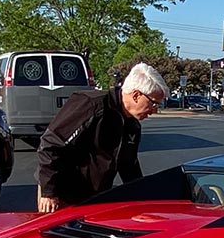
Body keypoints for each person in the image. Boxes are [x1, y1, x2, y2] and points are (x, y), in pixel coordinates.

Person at [35, 62, 168, 212]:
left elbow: (129, 166)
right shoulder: (90, 105)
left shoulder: (132, 125)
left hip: (96, 198)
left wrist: (142, 201)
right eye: (154, 103)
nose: (154, 111)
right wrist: (48, 192)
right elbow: (51, 144)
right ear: (136, 95)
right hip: (61, 195)